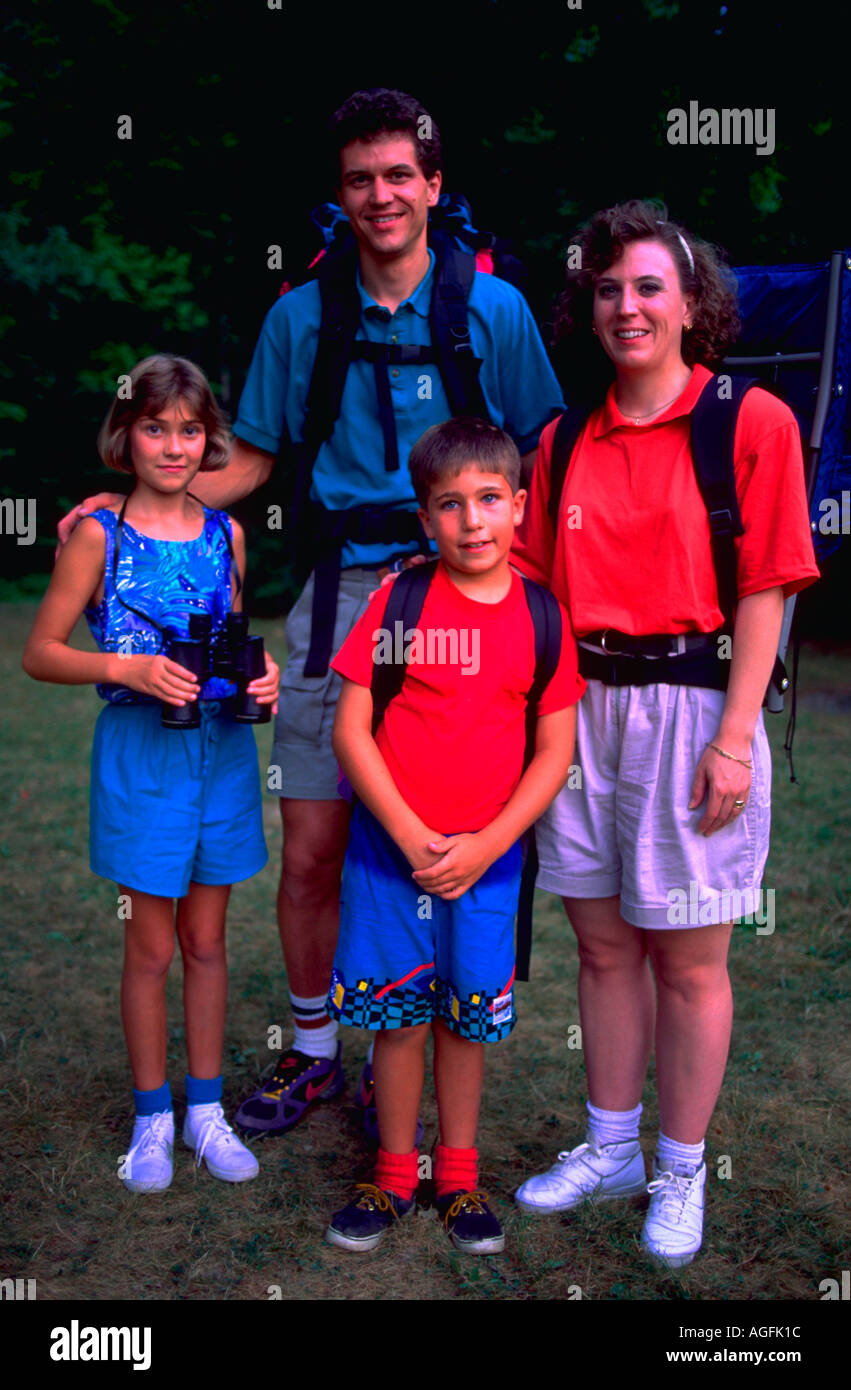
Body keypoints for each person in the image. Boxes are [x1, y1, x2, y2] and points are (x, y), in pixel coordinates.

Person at [57, 89, 565, 1137]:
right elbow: (247, 458)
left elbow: (539, 458)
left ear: (431, 185)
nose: (379, 195)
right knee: (312, 845)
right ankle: (313, 1047)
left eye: (397, 175)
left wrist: (540, 598)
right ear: (337, 195)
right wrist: (134, 505)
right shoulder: (302, 314)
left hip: (464, 602)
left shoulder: (494, 308)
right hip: (338, 603)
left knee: (459, 833)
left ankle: (449, 1032)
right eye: (357, 178)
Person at [509, 200, 819, 1266]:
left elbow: (770, 585)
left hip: (695, 709)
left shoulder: (748, 420)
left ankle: (680, 1167)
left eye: (647, 285)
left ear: (691, 304)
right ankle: (608, 1146)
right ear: (585, 308)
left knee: (687, 962)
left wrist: (734, 737)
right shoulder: (560, 438)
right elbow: (536, 592)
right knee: (600, 947)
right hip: (580, 714)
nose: (626, 305)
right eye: (606, 288)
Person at [322, 417, 584, 1253]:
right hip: (388, 858)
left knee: (464, 1020)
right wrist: (406, 832)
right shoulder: (397, 603)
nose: (471, 521)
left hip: (488, 863)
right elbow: (352, 731)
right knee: (397, 1018)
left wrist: (485, 844)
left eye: (487, 500)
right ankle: (394, 1174)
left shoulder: (542, 618)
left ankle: (458, 1178)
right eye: (449, 505)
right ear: (425, 517)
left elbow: (554, 754)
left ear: (516, 506)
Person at [24, 355, 280, 1194]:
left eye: (189, 431)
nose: (173, 446)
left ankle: (204, 1112)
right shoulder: (98, 534)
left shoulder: (226, 533)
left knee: (208, 942)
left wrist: (261, 673)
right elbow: (41, 652)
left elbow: (229, 638)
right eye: (155, 427)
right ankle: (151, 1118)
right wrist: (128, 670)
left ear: (209, 440)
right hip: (142, 754)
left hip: (222, 755)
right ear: (125, 434)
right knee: (151, 949)